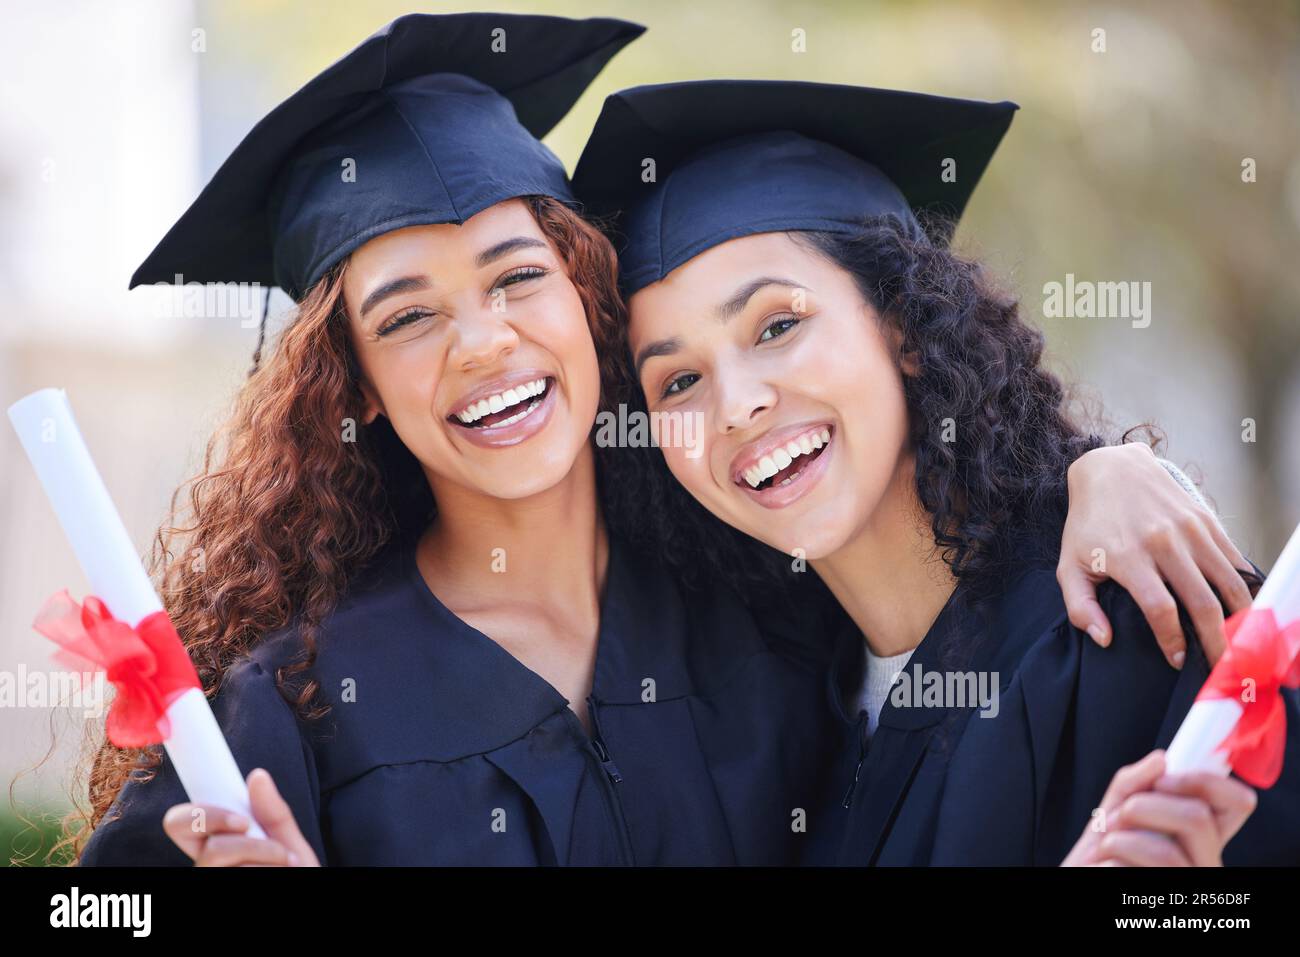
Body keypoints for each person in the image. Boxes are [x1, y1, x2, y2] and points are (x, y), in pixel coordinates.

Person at [75, 25, 1253, 867]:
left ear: (585, 314)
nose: (483, 344)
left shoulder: (777, 615)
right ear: (359, 388)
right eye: (407, 317)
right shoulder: (288, 709)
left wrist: (1090, 466)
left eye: (516, 278)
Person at [574, 78, 1298, 865]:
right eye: (677, 382)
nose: (736, 405)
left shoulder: (1121, 615)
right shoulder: (795, 720)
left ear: (907, 327)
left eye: (777, 325)